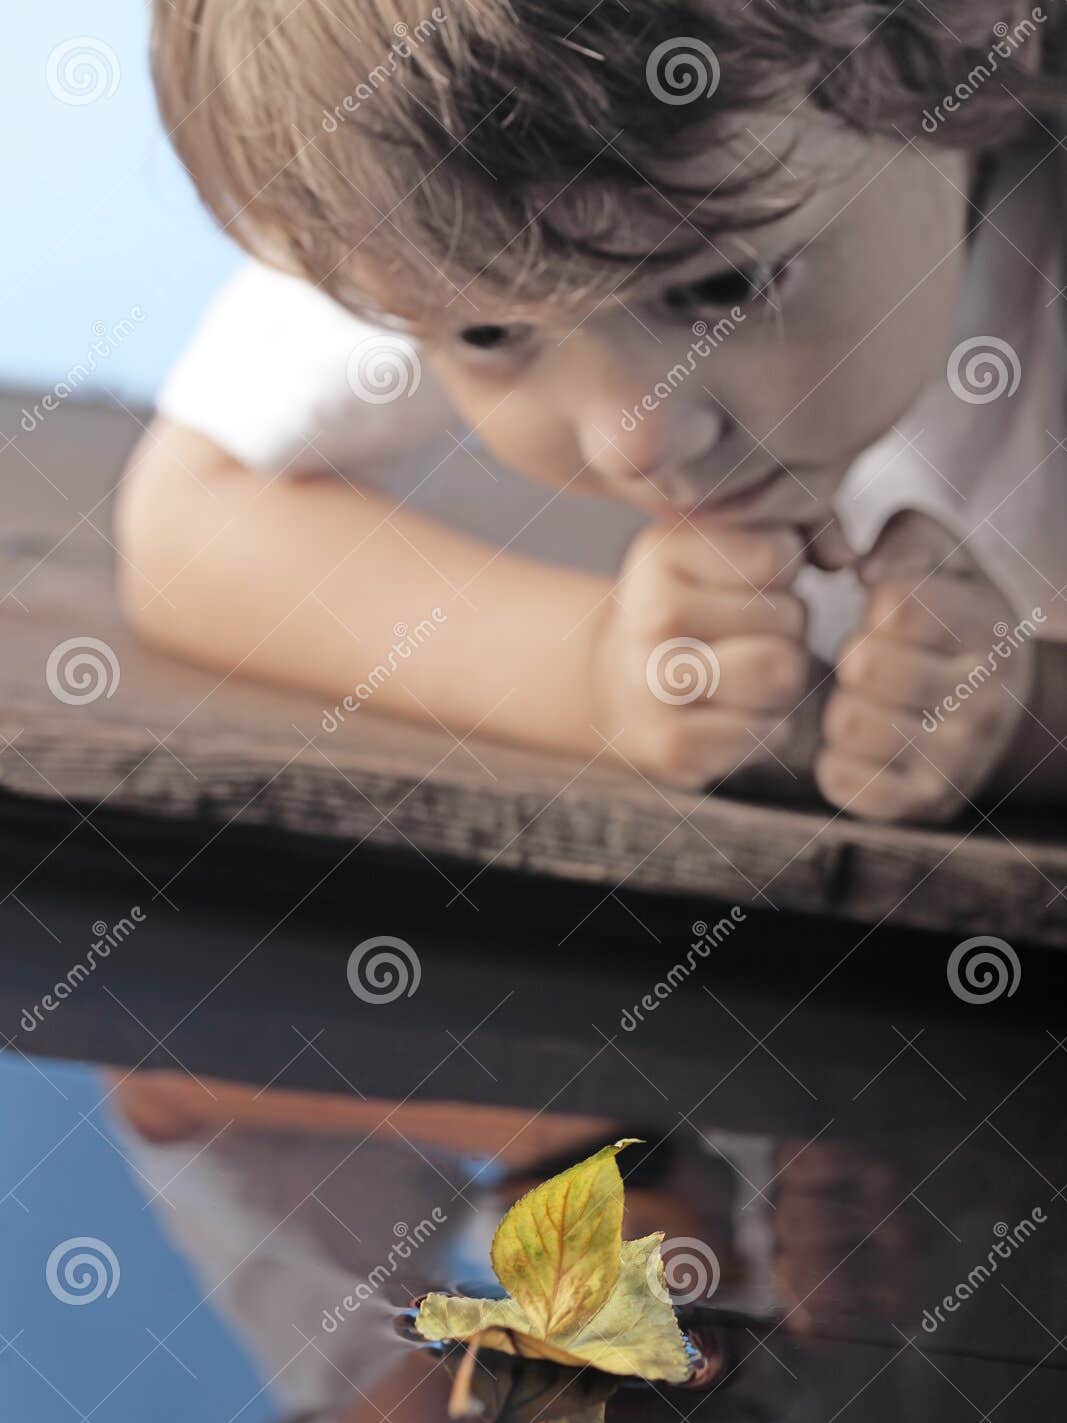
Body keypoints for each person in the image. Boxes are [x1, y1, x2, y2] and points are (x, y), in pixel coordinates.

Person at [119, 1, 1067, 823]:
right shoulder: (442, 154)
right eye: (488, 338)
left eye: (726, 285)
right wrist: (591, 673)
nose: (634, 438)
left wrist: (1028, 719)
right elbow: (187, 521)